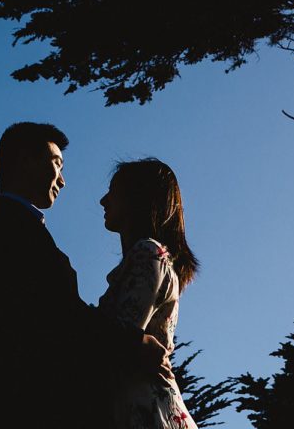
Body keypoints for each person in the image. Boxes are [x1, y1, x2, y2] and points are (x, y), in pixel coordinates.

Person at [0, 122, 173, 427]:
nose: (62, 180)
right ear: (25, 159)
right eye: (56, 163)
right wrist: (133, 343)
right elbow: (56, 313)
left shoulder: (13, 225)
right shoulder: (11, 226)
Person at [96, 158, 200, 429]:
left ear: (137, 199)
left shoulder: (149, 253)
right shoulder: (150, 256)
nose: (103, 201)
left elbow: (117, 336)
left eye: (114, 191)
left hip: (148, 413)